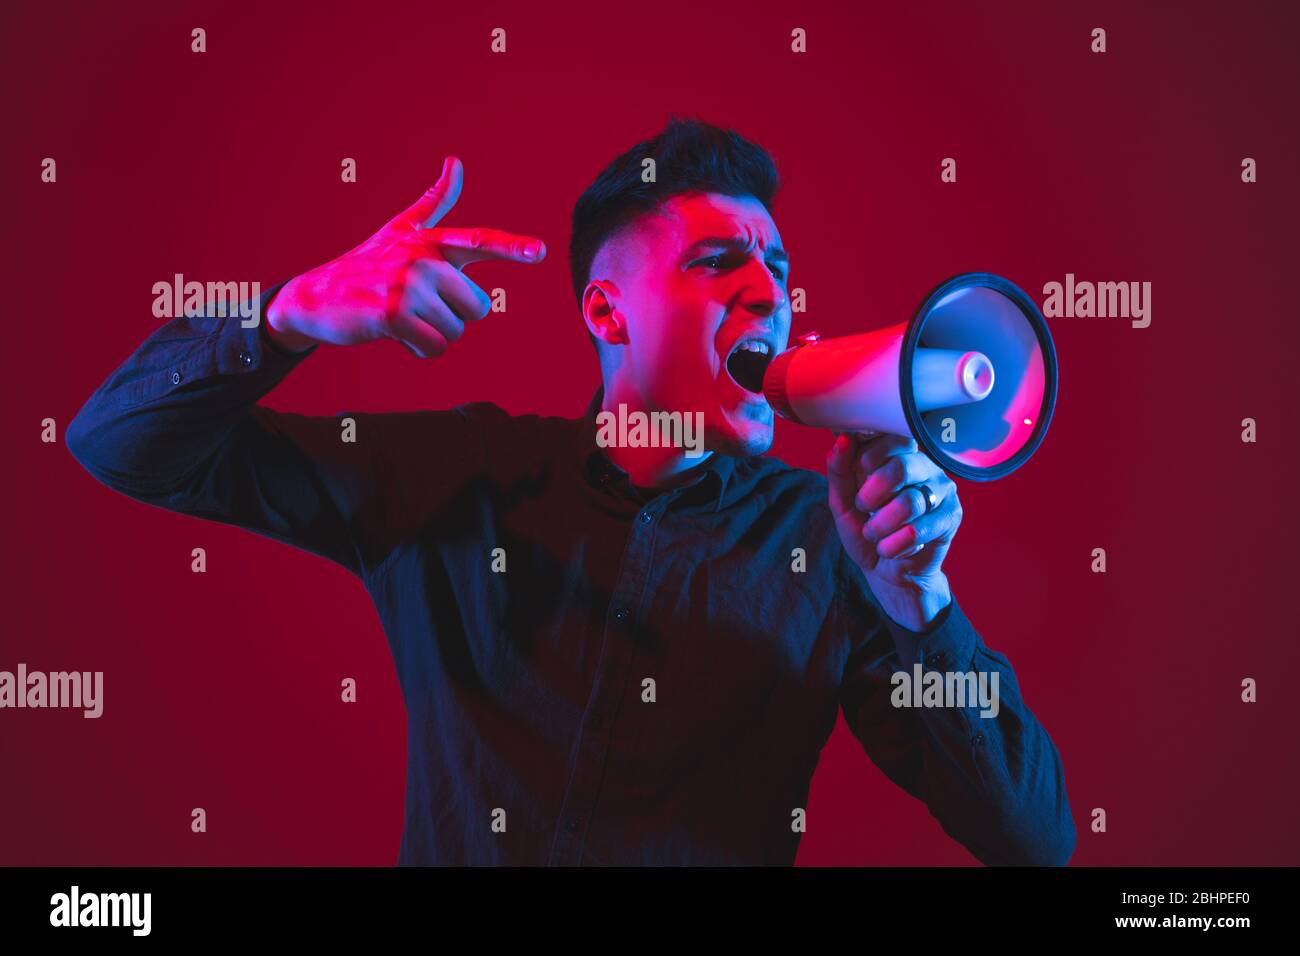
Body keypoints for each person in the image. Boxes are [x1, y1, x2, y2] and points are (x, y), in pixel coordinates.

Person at [67, 117, 1075, 866]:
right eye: (719, 262)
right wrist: (286, 316)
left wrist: (919, 605)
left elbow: (1033, 837)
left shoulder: (833, 542)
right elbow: (116, 441)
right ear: (607, 309)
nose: (769, 290)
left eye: (777, 265)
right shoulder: (455, 474)